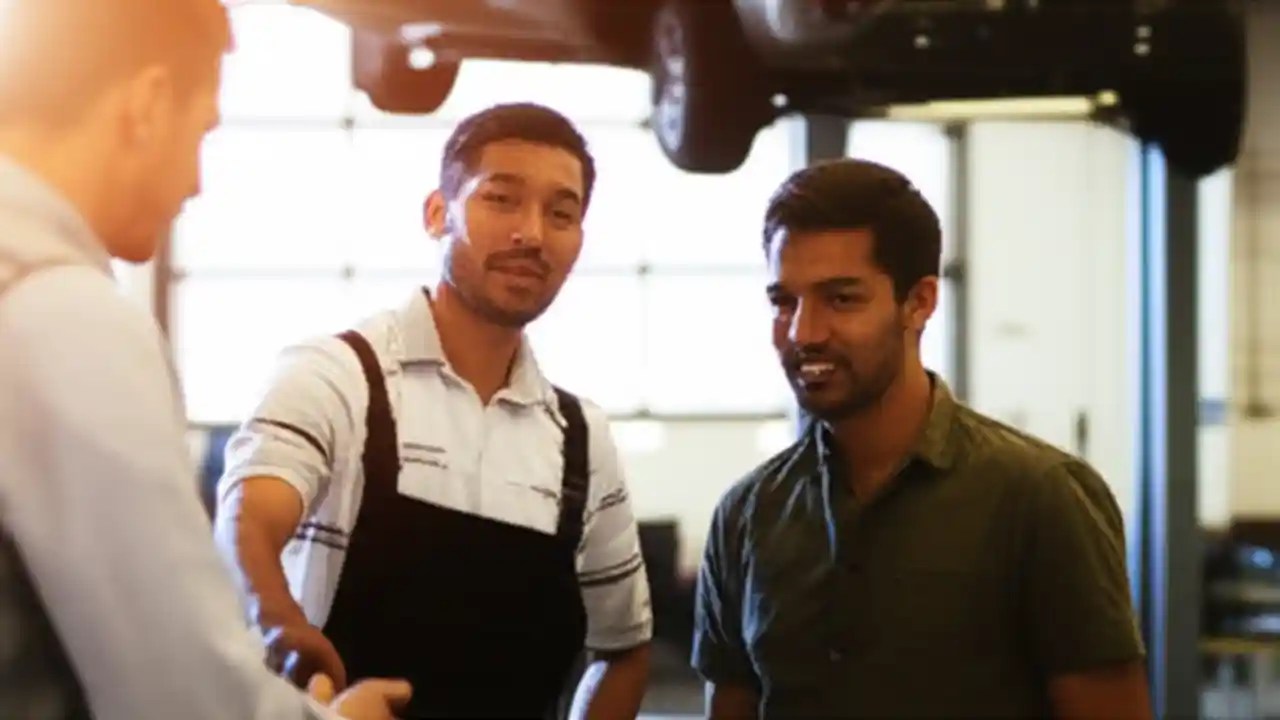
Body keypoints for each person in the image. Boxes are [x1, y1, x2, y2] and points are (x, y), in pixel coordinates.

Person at [0, 1, 411, 718]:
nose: (195, 183)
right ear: (149, 104)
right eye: (201, 133)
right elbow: (180, 698)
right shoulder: (63, 318)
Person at [213, 102, 653, 720]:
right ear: (436, 214)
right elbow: (247, 523)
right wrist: (281, 626)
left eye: (561, 213)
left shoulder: (582, 441)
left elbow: (625, 647)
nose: (532, 233)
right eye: (501, 200)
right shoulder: (337, 377)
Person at [692, 158, 1152, 719]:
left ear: (920, 302)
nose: (803, 333)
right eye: (783, 302)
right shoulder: (748, 515)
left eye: (841, 299)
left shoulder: (1042, 498)